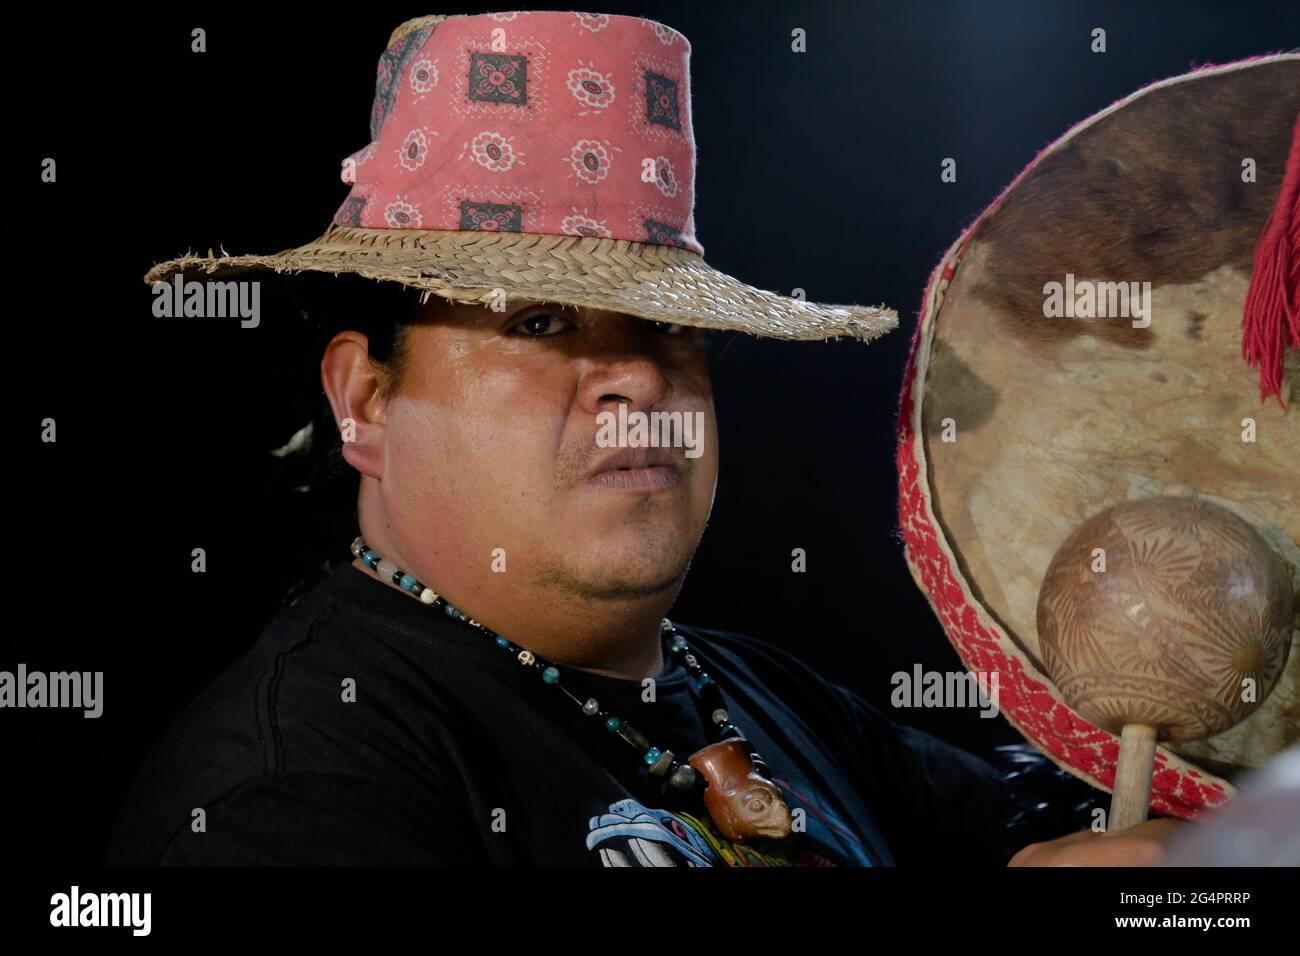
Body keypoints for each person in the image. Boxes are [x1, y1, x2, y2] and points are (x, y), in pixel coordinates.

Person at [111, 10, 1180, 866]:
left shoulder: (757, 689)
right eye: (536, 323)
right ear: (365, 399)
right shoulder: (293, 787)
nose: (636, 376)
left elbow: (1027, 827)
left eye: (667, 327)